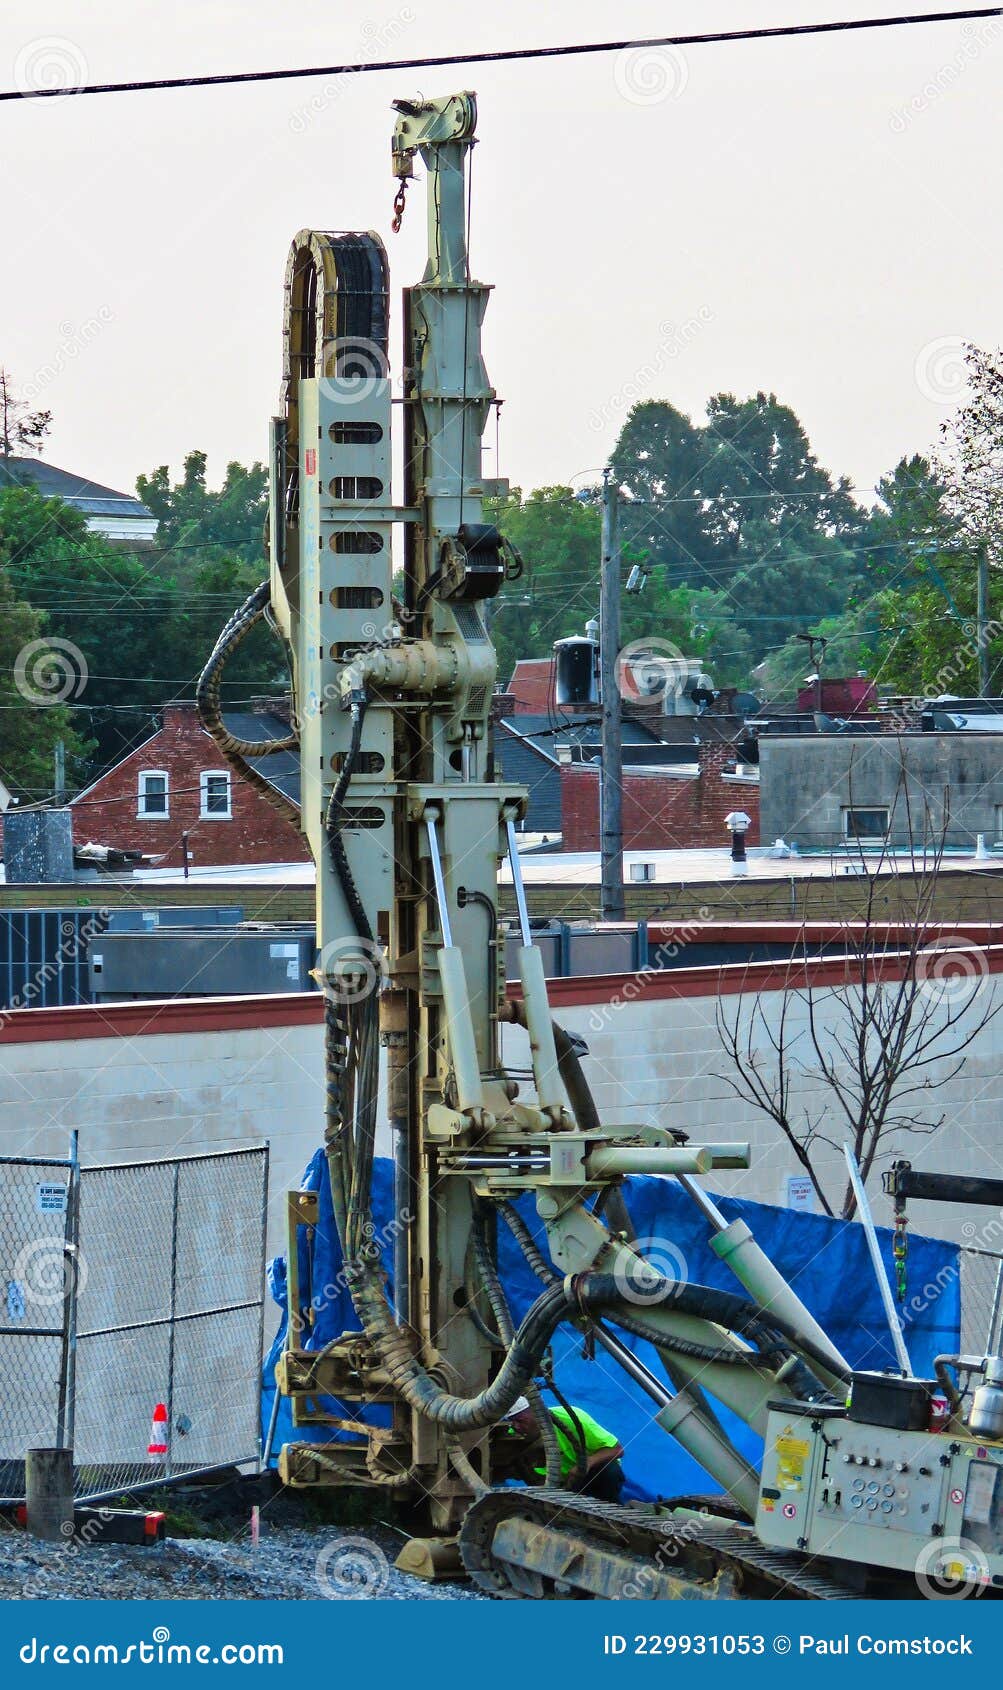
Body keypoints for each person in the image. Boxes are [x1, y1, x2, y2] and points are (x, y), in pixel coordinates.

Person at [500, 1395, 625, 1501]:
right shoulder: (513, 1436)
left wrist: (586, 1463)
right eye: (511, 1421)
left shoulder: (572, 1418)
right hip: (561, 1485)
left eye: (520, 1420)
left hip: (591, 1475)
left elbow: (617, 1449)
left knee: (609, 1471)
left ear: (537, 1413)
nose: (515, 1426)